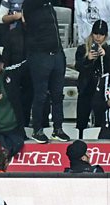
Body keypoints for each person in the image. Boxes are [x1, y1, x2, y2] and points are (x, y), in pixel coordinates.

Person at [23, 0, 69, 143]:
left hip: (56, 54)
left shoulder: (48, 6)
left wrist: (61, 54)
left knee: (57, 95)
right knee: (40, 95)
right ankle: (37, 130)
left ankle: (58, 128)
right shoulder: (30, 5)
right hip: (39, 55)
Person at [76, 20, 110, 137]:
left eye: (101, 34)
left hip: (102, 91)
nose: (98, 37)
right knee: (82, 121)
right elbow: (79, 67)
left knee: (101, 122)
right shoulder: (82, 49)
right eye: (96, 34)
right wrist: (88, 59)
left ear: (105, 36)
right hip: (86, 89)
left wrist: (106, 56)